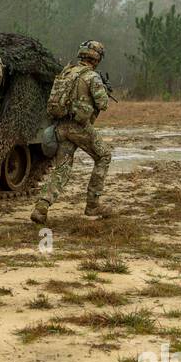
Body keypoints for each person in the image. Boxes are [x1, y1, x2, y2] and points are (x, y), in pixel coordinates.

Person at [31, 40, 113, 225]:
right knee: (104, 156)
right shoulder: (92, 77)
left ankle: (41, 207)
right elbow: (103, 104)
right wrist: (104, 91)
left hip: (61, 127)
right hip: (79, 128)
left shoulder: (66, 72)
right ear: (97, 58)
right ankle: (92, 206)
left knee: (62, 169)